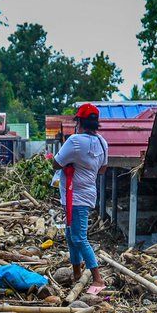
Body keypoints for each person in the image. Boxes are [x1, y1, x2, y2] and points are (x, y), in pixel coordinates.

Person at [53, 103, 109, 295]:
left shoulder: (75, 141)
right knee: (70, 235)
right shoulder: (102, 142)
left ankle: (97, 278)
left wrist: (70, 163)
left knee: (78, 237)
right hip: (87, 194)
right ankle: (77, 274)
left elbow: (55, 164)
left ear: (80, 122)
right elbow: (102, 169)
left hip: (74, 196)